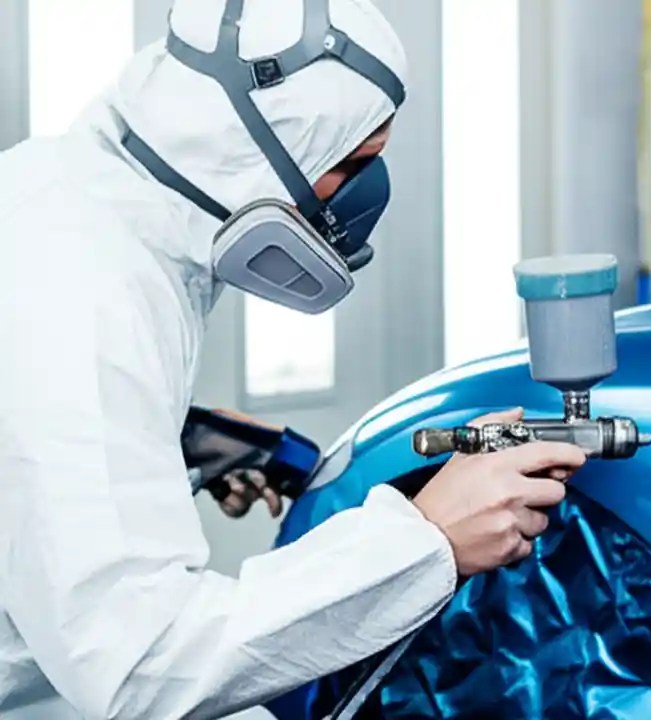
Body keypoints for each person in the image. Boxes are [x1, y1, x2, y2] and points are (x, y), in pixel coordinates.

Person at [0, 1, 585, 718]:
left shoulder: (76, 197)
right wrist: (426, 541)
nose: (366, 195)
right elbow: (140, 667)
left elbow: (37, 428)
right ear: (263, 145)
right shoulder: (86, 290)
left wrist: (175, 436)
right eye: (354, 163)